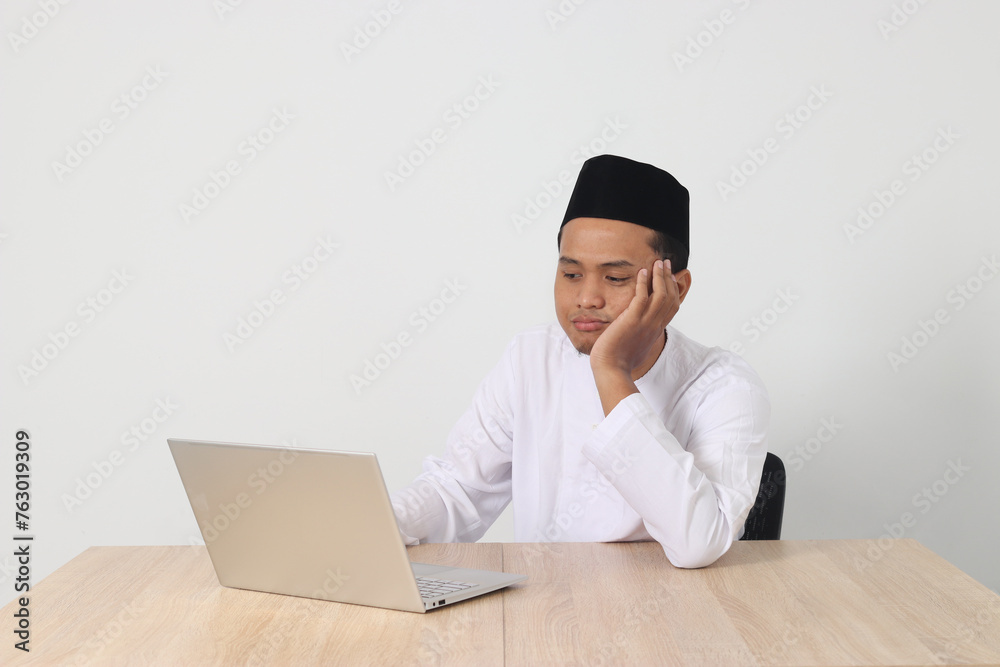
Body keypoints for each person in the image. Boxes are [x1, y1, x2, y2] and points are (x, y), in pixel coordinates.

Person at [390, 154, 770, 568]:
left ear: (675, 287)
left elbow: (698, 543)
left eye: (616, 278)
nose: (587, 298)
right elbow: (457, 492)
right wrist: (376, 525)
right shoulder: (530, 357)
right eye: (571, 274)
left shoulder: (724, 386)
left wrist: (611, 369)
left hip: (668, 620)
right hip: (544, 613)